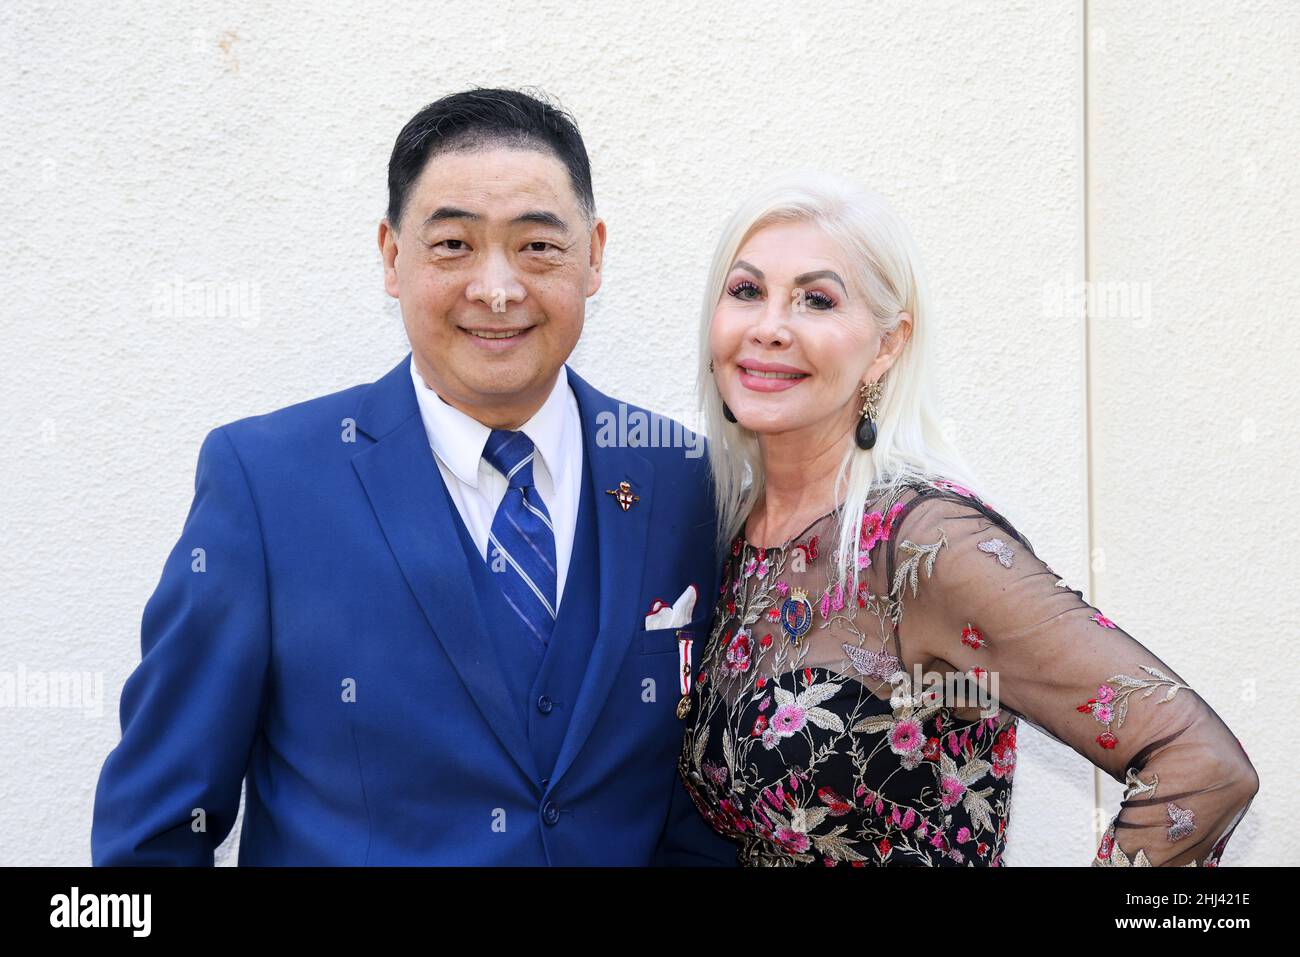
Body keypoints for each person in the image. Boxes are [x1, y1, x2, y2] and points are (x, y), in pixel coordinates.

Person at [92, 87, 736, 866]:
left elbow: (698, 809)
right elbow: (155, 832)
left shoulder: (685, 480)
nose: (496, 288)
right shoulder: (265, 487)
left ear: (593, 254)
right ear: (392, 257)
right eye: (453, 244)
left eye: (537, 246)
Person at [676, 170, 1259, 866]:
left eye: (816, 299)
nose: (770, 327)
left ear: (886, 346)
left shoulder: (925, 545)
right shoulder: (735, 530)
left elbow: (1204, 767)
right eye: (746, 291)